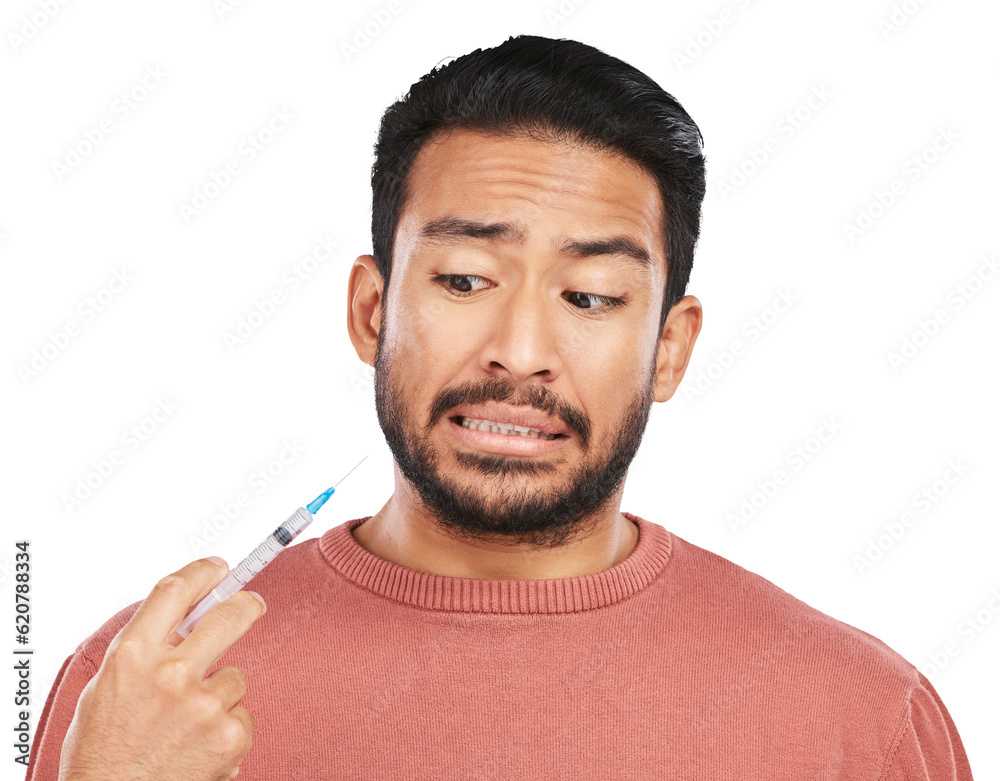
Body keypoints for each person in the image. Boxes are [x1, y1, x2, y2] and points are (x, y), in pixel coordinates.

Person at [27, 34, 974, 780]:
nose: (521, 352)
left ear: (671, 348)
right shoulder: (141, 690)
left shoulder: (858, 717)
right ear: (371, 309)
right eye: (467, 278)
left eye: (592, 296)